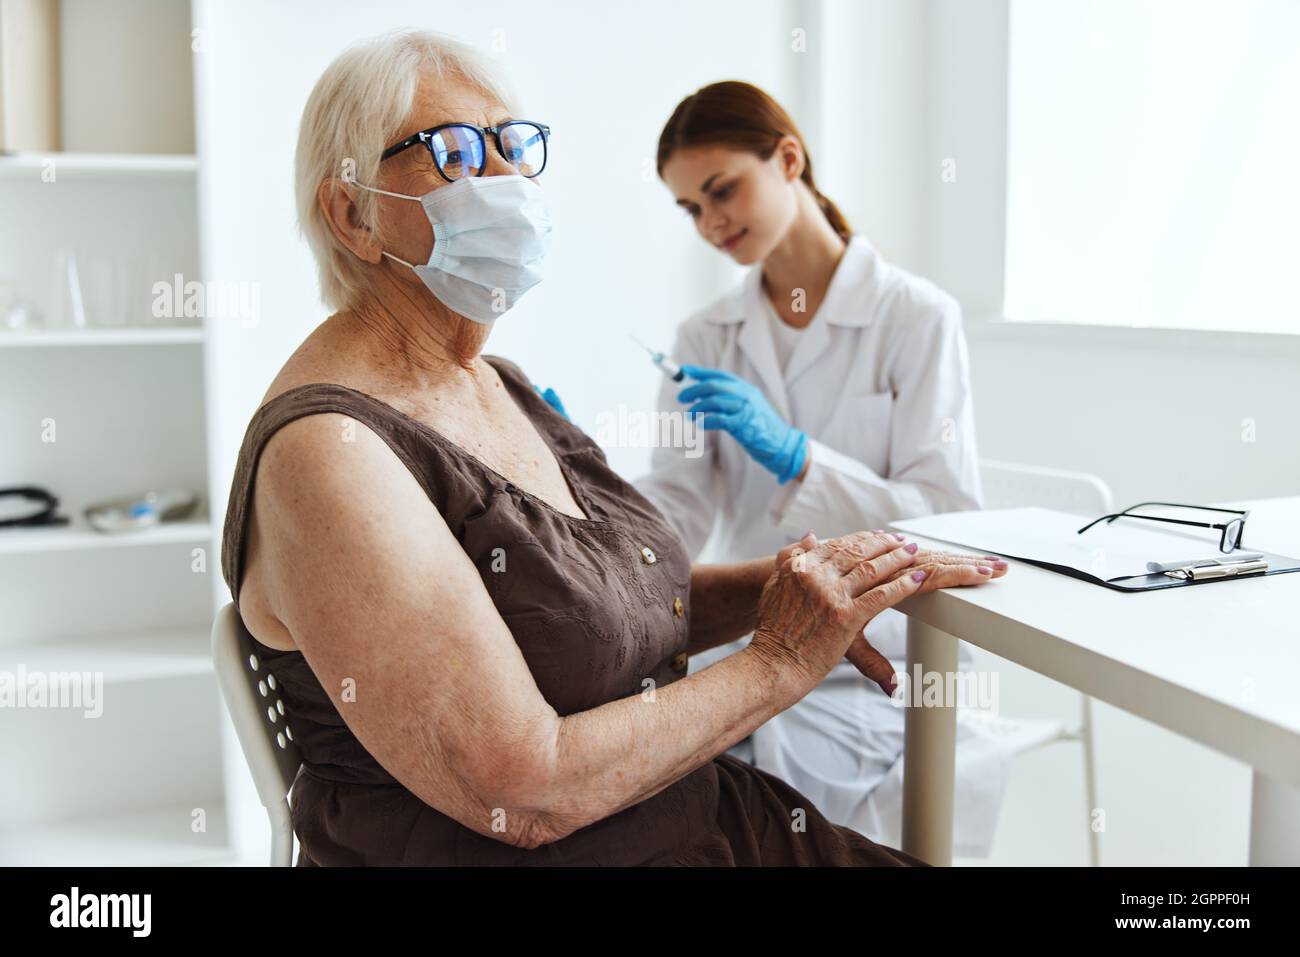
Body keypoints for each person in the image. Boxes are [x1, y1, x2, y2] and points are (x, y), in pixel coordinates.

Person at [219, 30, 1008, 866]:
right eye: (451, 152)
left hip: (695, 813)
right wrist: (778, 656)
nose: (503, 184)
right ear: (353, 214)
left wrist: (792, 588)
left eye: (512, 147)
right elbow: (523, 791)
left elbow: (611, 600)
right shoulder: (330, 452)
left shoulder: (496, 381)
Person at [634, 81, 1012, 856]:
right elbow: (676, 511)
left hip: (895, 659)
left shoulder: (916, 318)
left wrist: (803, 459)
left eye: (721, 190)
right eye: (689, 209)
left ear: (789, 159)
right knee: (659, 761)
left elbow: (949, 518)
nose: (710, 223)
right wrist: (578, 484)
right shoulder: (706, 335)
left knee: (726, 791)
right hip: (763, 640)